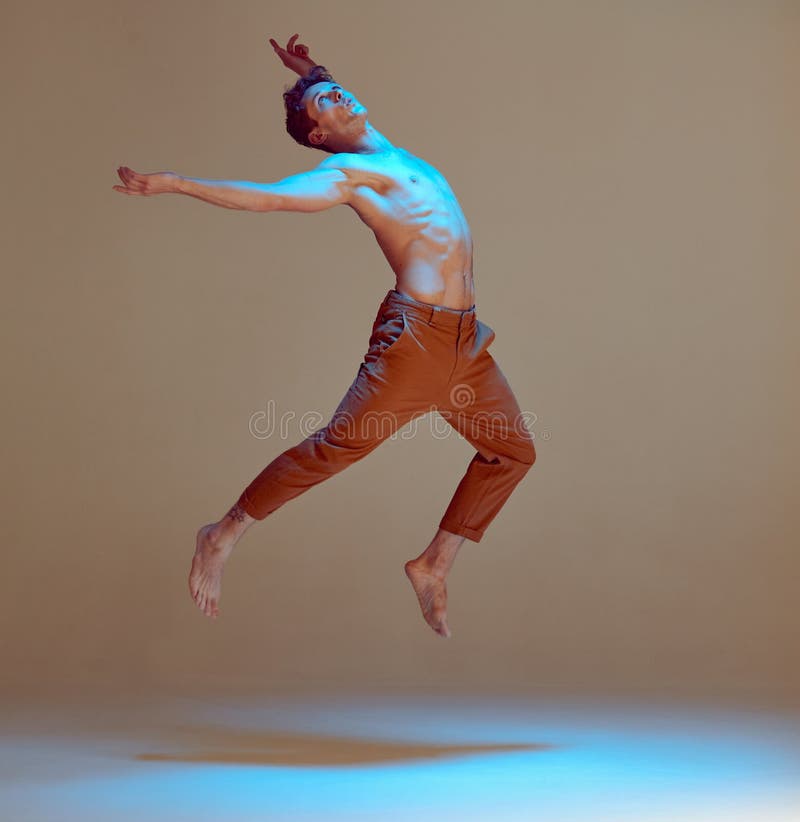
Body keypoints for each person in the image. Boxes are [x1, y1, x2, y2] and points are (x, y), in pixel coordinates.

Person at [113, 34, 536, 638]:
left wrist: (310, 73)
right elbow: (268, 200)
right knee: (335, 449)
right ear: (319, 136)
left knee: (514, 453)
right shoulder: (347, 172)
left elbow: (331, 94)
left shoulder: (391, 153)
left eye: (337, 91)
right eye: (324, 104)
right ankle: (223, 531)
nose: (339, 95)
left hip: (467, 344)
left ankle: (432, 565)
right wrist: (180, 184)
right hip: (416, 340)